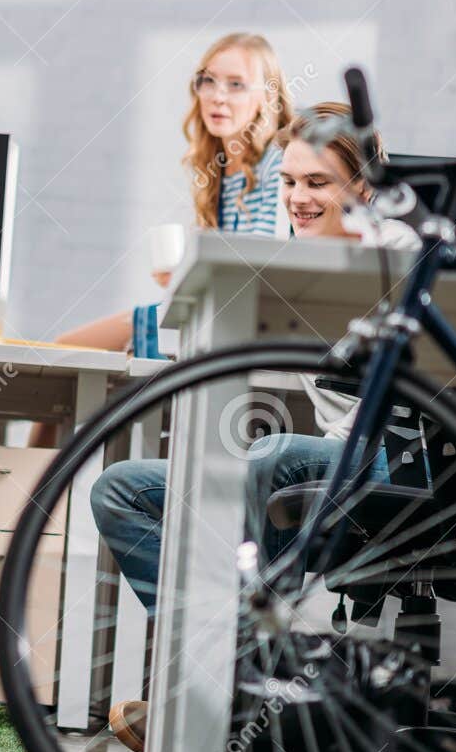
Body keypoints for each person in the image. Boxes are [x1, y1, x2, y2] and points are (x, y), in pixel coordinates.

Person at [91, 102, 415, 752]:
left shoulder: (399, 254)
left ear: (363, 187)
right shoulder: (295, 263)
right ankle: (234, 676)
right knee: (123, 488)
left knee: (273, 456)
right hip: (333, 465)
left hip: (399, 467)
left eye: (317, 183)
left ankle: (216, 692)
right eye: (290, 183)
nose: (298, 198)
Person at [30, 32, 295, 446]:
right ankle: (37, 505)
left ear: (268, 96)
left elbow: (264, 271)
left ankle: (33, 506)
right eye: (208, 81)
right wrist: (183, 277)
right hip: (209, 316)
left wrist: (190, 279)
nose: (217, 96)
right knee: (64, 361)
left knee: (67, 357)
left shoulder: (280, 166)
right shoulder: (222, 172)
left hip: (240, 326)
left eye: (236, 84)